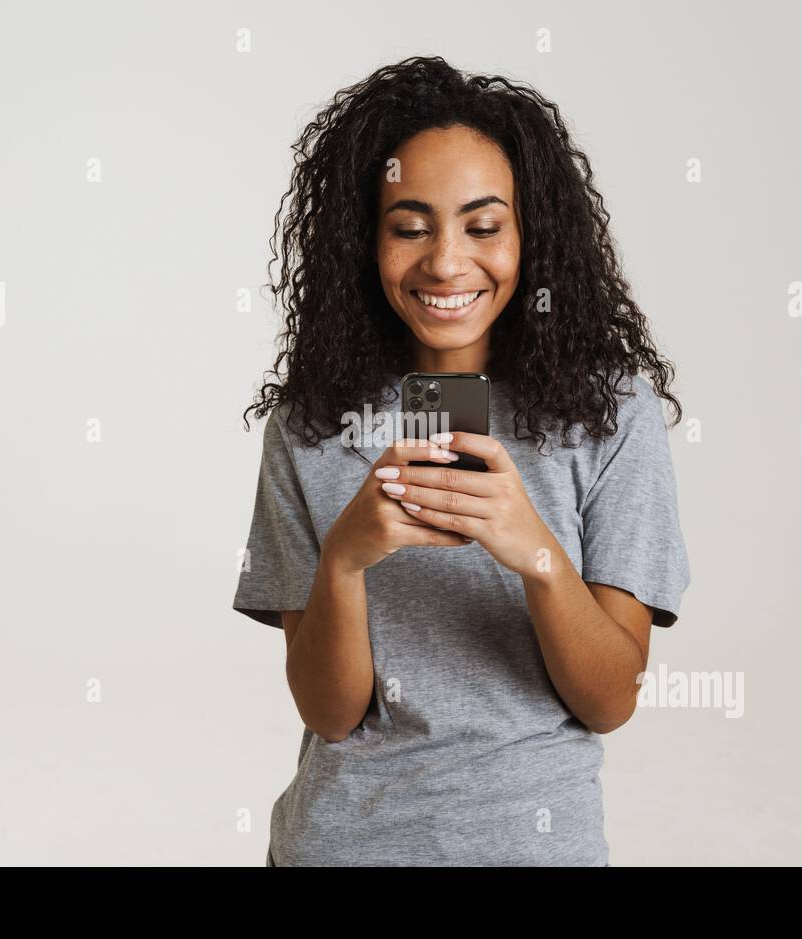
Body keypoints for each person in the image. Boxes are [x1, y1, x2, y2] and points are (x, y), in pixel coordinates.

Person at [233, 56, 690, 866]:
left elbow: (612, 695)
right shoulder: (308, 427)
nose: (446, 262)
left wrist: (535, 550)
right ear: (365, 241)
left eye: (482, 226)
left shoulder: (610, 415)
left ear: (531, 235)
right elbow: (330, 712)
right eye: (410, 226)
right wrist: (344, 559)